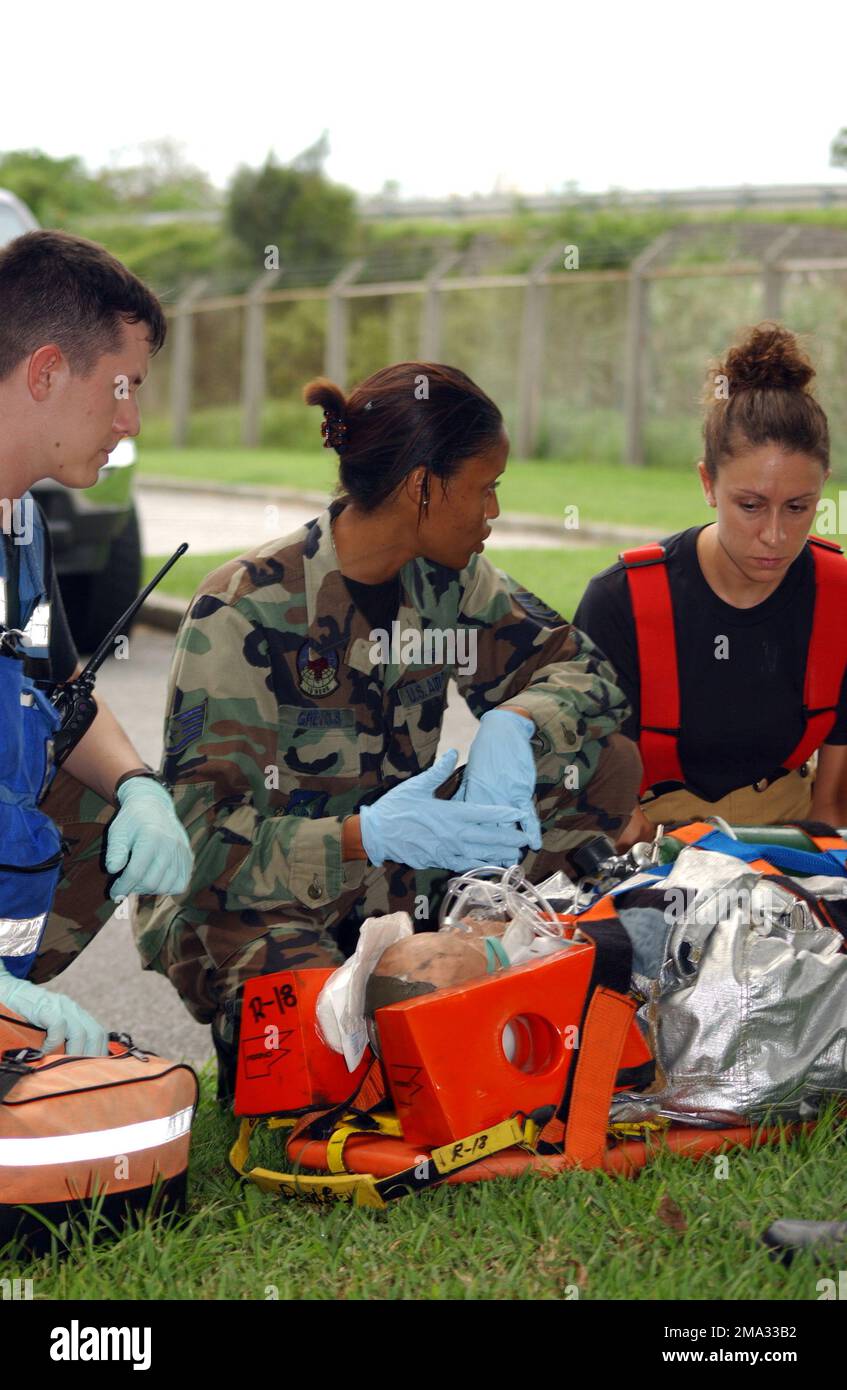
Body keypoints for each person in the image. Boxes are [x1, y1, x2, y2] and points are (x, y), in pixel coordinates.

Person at [133, 362, 642, 1098]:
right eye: (486, 486)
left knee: (604, 762)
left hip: (403, 877)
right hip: (257, 900)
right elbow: (198, 849)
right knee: (336, 1065)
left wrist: (514, 722)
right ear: (423, 486)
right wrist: (364, 836)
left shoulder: (448, 581)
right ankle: (315, 1005)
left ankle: (456, 955)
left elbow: (588, 674)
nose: (494, 509)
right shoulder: (244, 610)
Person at [0, 230, 193, 1056]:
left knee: (110, 790)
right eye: (122, 388)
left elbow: (61, 685)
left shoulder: (20, 526)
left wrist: (142, 788)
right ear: (46, 371)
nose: (130, 421)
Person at [573, 323, 847, 846]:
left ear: (822, 489)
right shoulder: (622, 602)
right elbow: (609, 812)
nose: (775, 535)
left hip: (797, 844)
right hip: (653, 845)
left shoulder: (839, 597)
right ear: (707, 483)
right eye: (751, 505)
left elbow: (833, 806)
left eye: (798, 507)